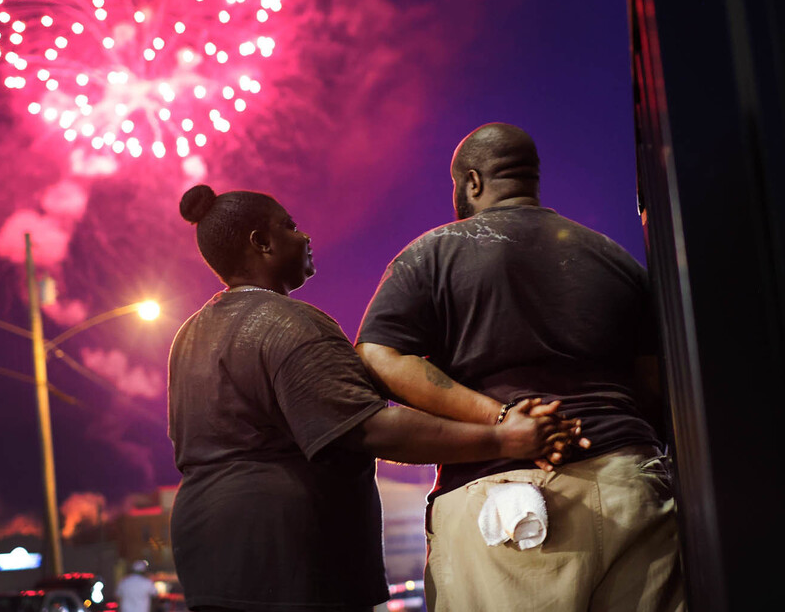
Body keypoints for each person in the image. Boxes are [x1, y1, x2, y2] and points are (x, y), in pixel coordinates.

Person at [168, 184, 582, 612]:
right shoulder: (286, 323)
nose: (305, 236)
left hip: (205, 554)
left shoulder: (190, 334)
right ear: (261, 242)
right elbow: (370, 429)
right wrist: (505, 438)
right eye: (289, 226)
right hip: (282, 556)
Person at [355, 122, 684, 611]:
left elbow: (378, 355)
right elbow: (657, 384)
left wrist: (501, 418)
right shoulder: (615, 260)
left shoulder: (433, 254)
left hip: (508, 502)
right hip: (632, 484)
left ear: (472, 182)